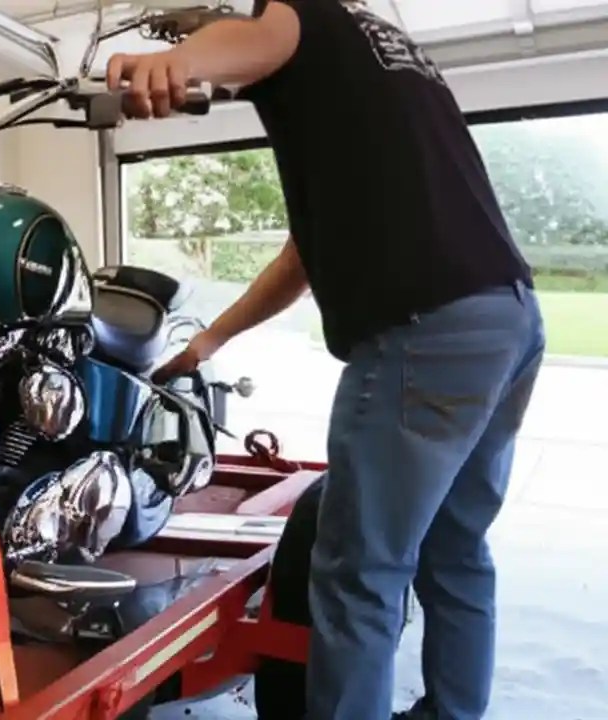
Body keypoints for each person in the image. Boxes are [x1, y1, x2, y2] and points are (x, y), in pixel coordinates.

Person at [106, 1, 546, 719]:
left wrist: (177, 61)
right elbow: (302, 258)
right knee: (456, 551)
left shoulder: (303, 18)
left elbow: (259, 34)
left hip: (425, 328)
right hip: (506, 317)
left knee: (358, 576)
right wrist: (208, 343)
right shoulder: (383, 54)